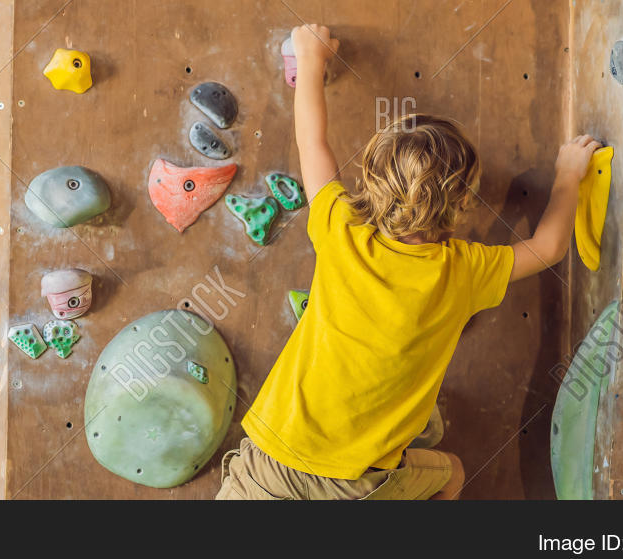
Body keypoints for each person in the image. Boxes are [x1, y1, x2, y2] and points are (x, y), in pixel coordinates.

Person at [216, 24, 601, 500]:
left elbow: (313, 145)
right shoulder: (462, 271)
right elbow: (547, 247)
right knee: (453, 474)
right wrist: (568, 176)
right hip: (351, 487)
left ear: (371, 182)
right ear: (462, 207)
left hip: (266, 466)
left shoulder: (342, 231)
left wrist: (311, 63)